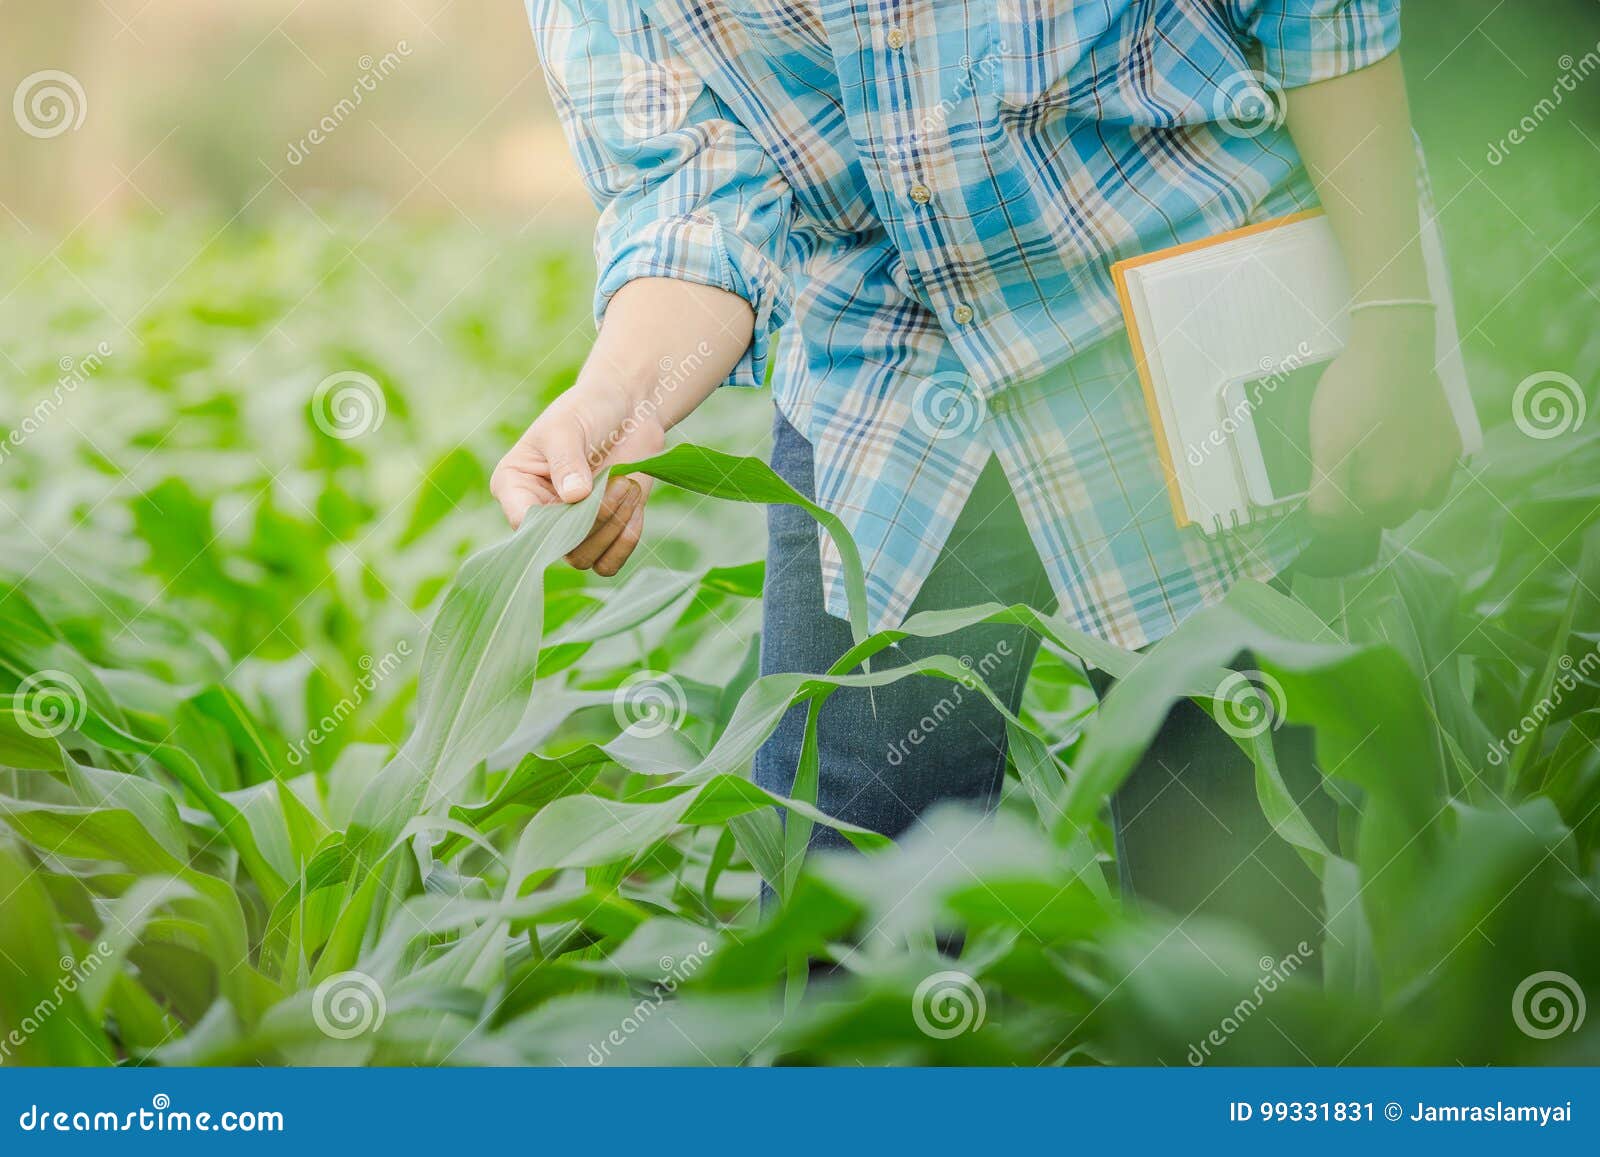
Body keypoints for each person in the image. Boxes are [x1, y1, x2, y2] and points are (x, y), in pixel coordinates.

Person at [492, 1, 1460, 955]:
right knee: (845, 919)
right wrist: (622, 394)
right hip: (890, 375)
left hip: (1187, 342)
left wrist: (1392, 319)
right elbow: (693, 199)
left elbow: (1317, 17)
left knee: (1240, 899)